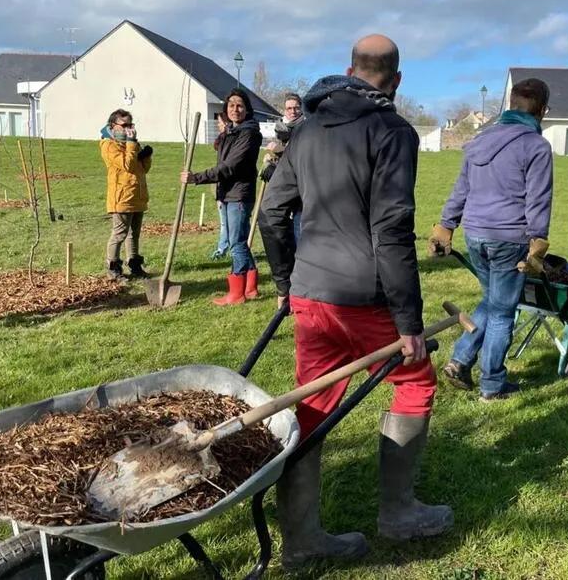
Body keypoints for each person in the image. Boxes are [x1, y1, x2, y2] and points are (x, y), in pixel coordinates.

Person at [259, 34, 453, 571]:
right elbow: (392, 229)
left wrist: (285, 282)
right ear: (398, 79)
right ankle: (399, 513)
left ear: (349, 70)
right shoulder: (391, 131)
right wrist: (409, 323)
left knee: (312, 407)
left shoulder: (306, 130)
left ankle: (301, 541)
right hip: (363, 297)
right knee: (415, 381)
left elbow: (271, 216)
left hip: (311, 293)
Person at [427, 77, 554, 400]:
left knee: (493, 299)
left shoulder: (480, 141)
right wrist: (538, 242)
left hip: (476, 235)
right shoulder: (536, 146)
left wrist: (446, 225)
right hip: (509, 238)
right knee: (501, 312)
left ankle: (460, 359)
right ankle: (493, 384)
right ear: (542, 111)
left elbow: (461, 189)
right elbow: (538, 198)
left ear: (510, 105)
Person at [181, 89, 263, 305]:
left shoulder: (249, 134)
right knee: (240, 241)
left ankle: (236, 294)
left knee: (236, 242)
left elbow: (230, 166)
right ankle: (251, 287)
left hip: (239, 194)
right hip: (227, 192)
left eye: (239, 105)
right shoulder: (232, 132)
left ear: (247, 109)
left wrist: (197, 177)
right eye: (231, 105)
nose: (235, 109)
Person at [100, 109, 153, 280]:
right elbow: (127, 165)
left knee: (134, 234)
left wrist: (145, 157)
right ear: (112, 126)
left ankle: (134, 265)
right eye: (124, 125)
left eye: (130, 124)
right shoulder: (109, 146)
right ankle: (113, 267)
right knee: (119, 233)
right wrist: (131, 143)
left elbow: (143, 169)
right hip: (122, 198)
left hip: (137, 196)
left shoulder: (132, 143)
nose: (128, 129)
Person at [259, 93, 305, 242]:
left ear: (301, 109)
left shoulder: (307, 127)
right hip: (283, 185)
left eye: (296, 108)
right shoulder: (280, 128)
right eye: (289, 108)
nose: (293, 112)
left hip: (302, 186)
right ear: (284, 110)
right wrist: (269, 161)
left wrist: (281, 150)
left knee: (300, 229)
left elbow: (303, 153)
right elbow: (275, 153)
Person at [210, 112, 231, 260]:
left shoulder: (230, 140)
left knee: (228, 223)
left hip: (231, 188)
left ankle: (223, 248)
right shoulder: (221, 141)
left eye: (219, 123)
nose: (218, 126)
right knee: (224, 222)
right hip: (221, 186)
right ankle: (223, 247)